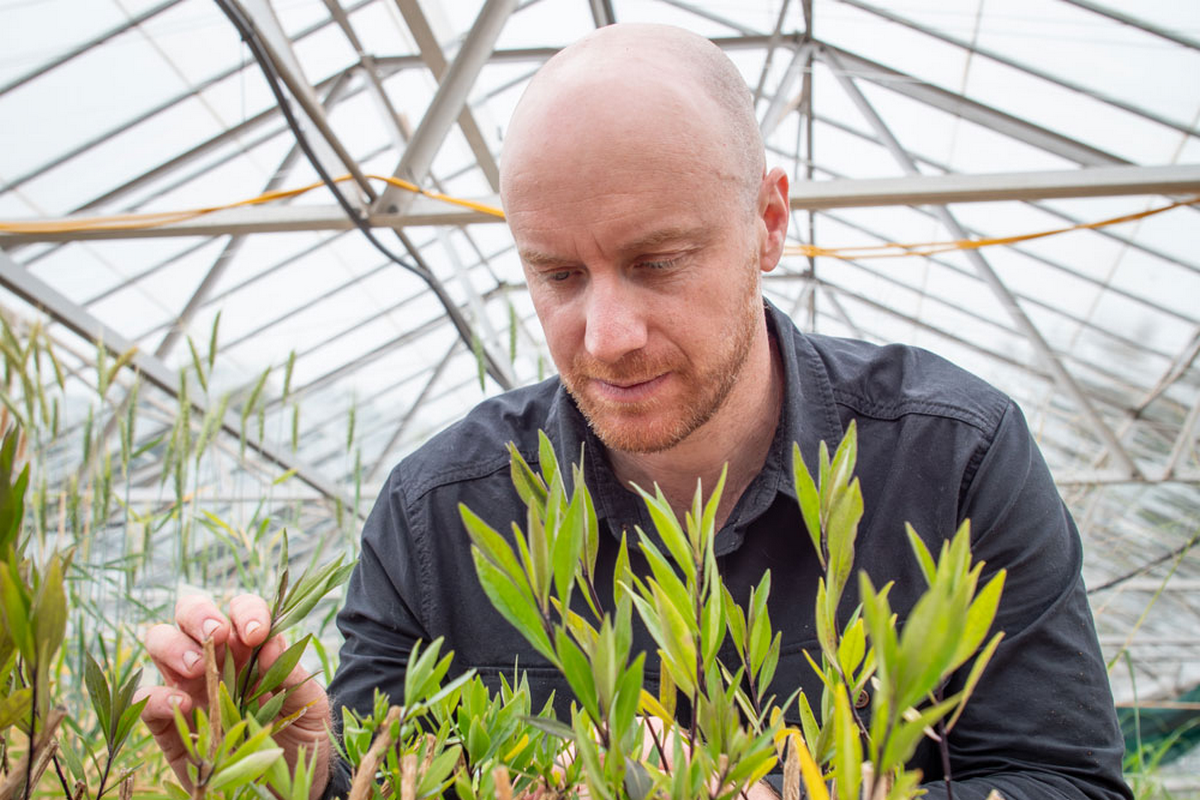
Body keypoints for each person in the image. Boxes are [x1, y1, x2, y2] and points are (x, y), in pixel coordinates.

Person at [139, 23, 1131, 800]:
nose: (604, 333)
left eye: (657, 262)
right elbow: (377, 777)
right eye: (557, 272)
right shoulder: (437, 514)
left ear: (770, 221)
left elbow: (1069, 779)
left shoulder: (948, 457)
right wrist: (303, 770)